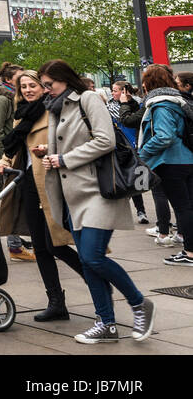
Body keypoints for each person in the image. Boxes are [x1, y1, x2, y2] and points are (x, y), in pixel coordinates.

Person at [37, 59, 153, 344]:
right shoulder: (55, 107)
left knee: (92, 256)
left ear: (64, 79)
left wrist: (64, 158)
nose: (45, 90)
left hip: (98, 190)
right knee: (89, 263)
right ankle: (106, 323)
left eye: (48, 84)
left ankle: (139, 304)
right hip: (71, 194)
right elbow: (70, 143)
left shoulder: (87, 98)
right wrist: (49, 151)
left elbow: (105, 141)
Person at [0, 71, 85, 322]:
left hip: (51, 184)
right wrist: (3, 161)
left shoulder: (52, 110)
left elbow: (70, 142)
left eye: (32, 85)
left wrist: (49, 150)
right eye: (23, 86)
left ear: (43, 86)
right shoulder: (21, 113)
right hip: (27, 183)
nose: (28, 90)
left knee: (54, 243)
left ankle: (96, 280)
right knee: (42, 247)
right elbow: (14, 148)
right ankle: (56, 301)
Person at [136, 64, 193, 267]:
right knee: (188, 206)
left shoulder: (160, 105)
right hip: (186, 158)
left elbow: (164, 136)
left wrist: (143, 152)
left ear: (149, 83)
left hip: (170, 161)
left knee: (183, 207)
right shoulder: (179, 101)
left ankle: (189, 252)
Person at [0, 64, 33, 261]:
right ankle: (15, 246)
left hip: (15, 155)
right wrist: (8, 154)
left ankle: (24, 241)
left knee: (19, 199)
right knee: (12, 200)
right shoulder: (3, 99)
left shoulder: (14, 98)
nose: (25, 83)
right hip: (8, 158)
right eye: (20, 78)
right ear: (9, 80)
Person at [109, 80, 154, 225]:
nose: (112, 93)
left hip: (134, 145)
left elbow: (133, 121)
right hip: (118, 147)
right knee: (121, 181)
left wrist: (126, 102)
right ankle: (118, 213)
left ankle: (141, 211)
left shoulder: (138, 104)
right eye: (112, 90)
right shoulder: (108, 107)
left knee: (135, 181)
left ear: (123, 91)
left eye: (115, 90)